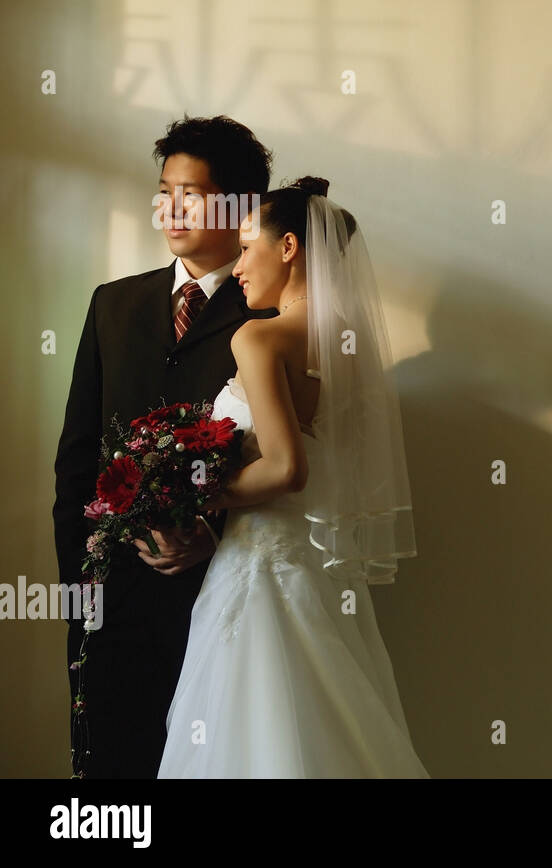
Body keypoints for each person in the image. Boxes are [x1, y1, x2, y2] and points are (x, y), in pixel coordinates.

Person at [155, 177, 429, 777]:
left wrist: (191, 494)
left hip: (260, 569)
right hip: (318, 570)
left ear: (288, 248)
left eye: (246, 248)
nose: (238, 266)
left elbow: (287, 468)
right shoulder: (348, 344)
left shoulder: (258, 337)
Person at [53, 114, 274, 778]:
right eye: (164, 191)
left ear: (240, 208)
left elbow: (296, 467)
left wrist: (214, 537)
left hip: (222, 603)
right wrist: (78, 591)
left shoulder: (271, 317)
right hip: (110, 600)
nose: (171, 209)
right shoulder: (113, 305)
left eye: (193, 194)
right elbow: (78, 458)